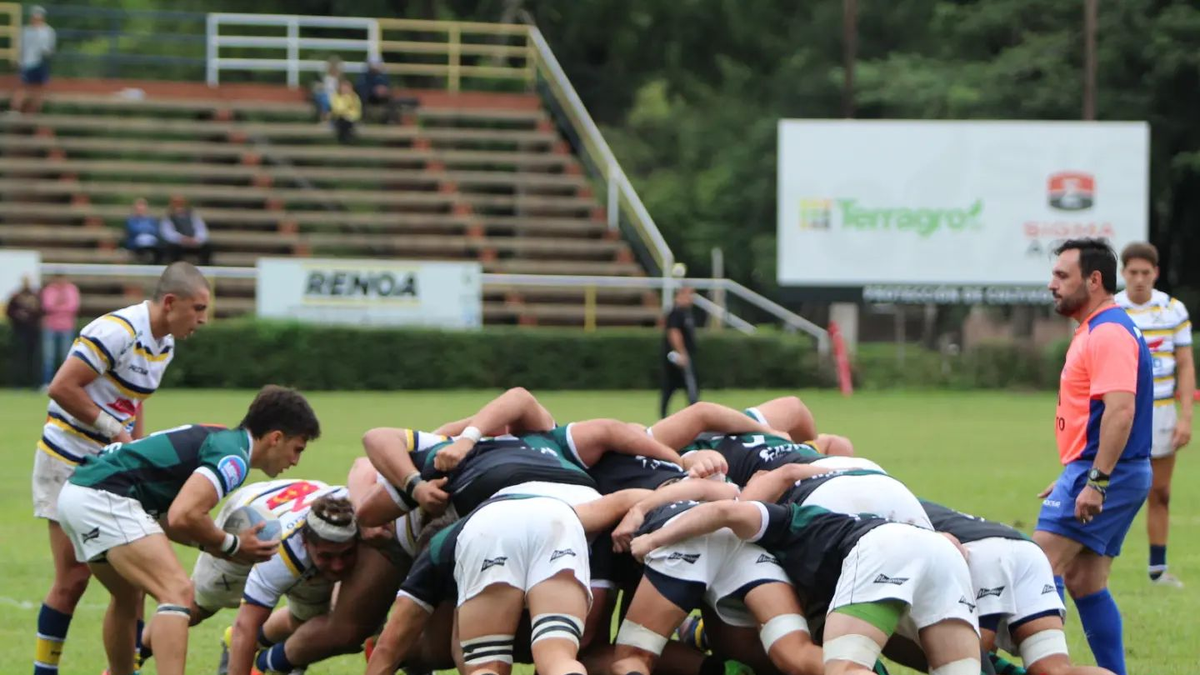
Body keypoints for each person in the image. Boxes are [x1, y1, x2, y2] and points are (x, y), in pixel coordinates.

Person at [55, 385, 320, 675]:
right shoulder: (234, 459)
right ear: (276, 438)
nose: (295, 461)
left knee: (127, 597)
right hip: (105, 498)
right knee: (178, 593)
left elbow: (169, 516)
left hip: (79, 491)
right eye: (297, 449)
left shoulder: (222, 438)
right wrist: (232, 545)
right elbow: (185, 515)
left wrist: (218, 546)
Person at [31, 262, 208, 675]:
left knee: (134, 585)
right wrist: (115, 431)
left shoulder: (164, 343)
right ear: (170, 302)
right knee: (73, 580)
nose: (202, 319)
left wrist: (138, 453)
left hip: (112, 469)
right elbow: (62, 387)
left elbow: (133, 401)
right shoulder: (118, 331)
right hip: (66, 458)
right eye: (197, 308)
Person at [1037, 238, 1152, 675]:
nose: (1052, 285)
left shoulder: (1109, 332)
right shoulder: (1098, 328)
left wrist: (1096, 480)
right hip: (1100, 469)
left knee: (1038, 566)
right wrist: (1074, 473)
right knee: (1085, 582)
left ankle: (1049, 667)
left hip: (1111, 473)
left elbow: (1122, 412)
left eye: (1062, 276)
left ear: (1095, 280)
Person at [921, 500, 1111, 675]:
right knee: (1054, 670)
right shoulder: (904, 496)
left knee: (967, 665)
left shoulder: (894, 512)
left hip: (981, 557)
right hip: (1026, 552)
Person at [1114, 241, 1193, 587]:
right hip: (1123, 412)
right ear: (1123, 273)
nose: (1140, 279)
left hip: (1162, 412)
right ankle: (1091, 565)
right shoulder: (1112, 309)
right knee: (1107, 489)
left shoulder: (1173, 310)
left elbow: (1186, 364)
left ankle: (1157, 571)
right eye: (1133, 272)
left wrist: (1186, 415)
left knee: (1160, 492)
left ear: (1156, 273)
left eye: (1146, 273)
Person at [8, 6, 56, 115]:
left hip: (40, 62)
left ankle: (34, 112)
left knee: (39, 89)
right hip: (27, 63)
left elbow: (49, 49)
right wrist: (18, 60)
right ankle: (15, 110)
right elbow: (20, 47)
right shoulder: (26, 31)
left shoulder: (48, 31)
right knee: (23, 87)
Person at [661, 285, 699, 418]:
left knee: (675, 388)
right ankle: (695, 414)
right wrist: (682, 353)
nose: (691, 299)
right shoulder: (676, 313)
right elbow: (674, 332)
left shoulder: (686, 312)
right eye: (689, 295)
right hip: (678, 357)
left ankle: (692, 414)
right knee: (688, 387)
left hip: (683, 355)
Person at [39, 274, 79, 389]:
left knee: (66, 356)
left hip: (67, 327)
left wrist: (58, 307)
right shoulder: (49, 290)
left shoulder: (71, 289)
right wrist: (62, 307)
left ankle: (65, 383)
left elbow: (73, 306)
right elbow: (47, 306)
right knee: (49, 357)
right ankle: (47, 382)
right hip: (51, 326)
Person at [7, 276, 42, 389]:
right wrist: (18, 315)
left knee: (34, 358)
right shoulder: (16, 296)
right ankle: (18, 383)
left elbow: (41, 312)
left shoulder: (36, 297)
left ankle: (34, 383)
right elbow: (9, 311)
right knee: (20, 357)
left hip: (33, 332)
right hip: (19, 331)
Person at [159, 195, 213, 265]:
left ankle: (205, 268)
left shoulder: (193, 217)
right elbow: (167, 233)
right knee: (172, 248)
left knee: (207, 246)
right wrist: (182, 239)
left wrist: (196, 239)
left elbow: (202, 230)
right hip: (179, 244)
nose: (178, 206)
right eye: (176, 204)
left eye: (180, 203)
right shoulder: (168, 218)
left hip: (194, 243)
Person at [357, 58, 403, 124]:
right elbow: (361, 87)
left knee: (392, 100)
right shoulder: (365, 76)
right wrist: (374, 90)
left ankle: (391, 120)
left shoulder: (383, 75)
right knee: (362, 98)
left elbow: (387, 85)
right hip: (370, 97)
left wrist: (384, 90)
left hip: (382, 97)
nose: (376, 66)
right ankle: (362, 120)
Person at [123, 198, 162, 264]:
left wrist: (143, 230)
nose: (141, 210)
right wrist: (146, 230)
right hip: (136, 244)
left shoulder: (151, 220)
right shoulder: (131, 220)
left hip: (151, 243)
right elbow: (134, 230)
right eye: (139, 208)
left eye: (142, 208)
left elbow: (155, 231)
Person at [330, 78, 362, 145]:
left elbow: (357, 110)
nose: (345, 89)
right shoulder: (336, 96)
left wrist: (348, 113)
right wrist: (345, 111)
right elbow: (335, 109)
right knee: (343, 121)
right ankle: (346, 140)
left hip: (351, 118)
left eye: (347, 87)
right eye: (343, 87)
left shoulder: (355, 97)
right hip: (339, 117)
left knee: (347, 121)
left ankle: (345, 140)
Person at [312, 56, 342, 122]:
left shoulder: (339, 79)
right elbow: (319, 88)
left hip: (336, 97)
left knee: (329, 101)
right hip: (326, 96)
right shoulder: (325, 78)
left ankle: (327, 118)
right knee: (324, 99)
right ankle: (325, 117)